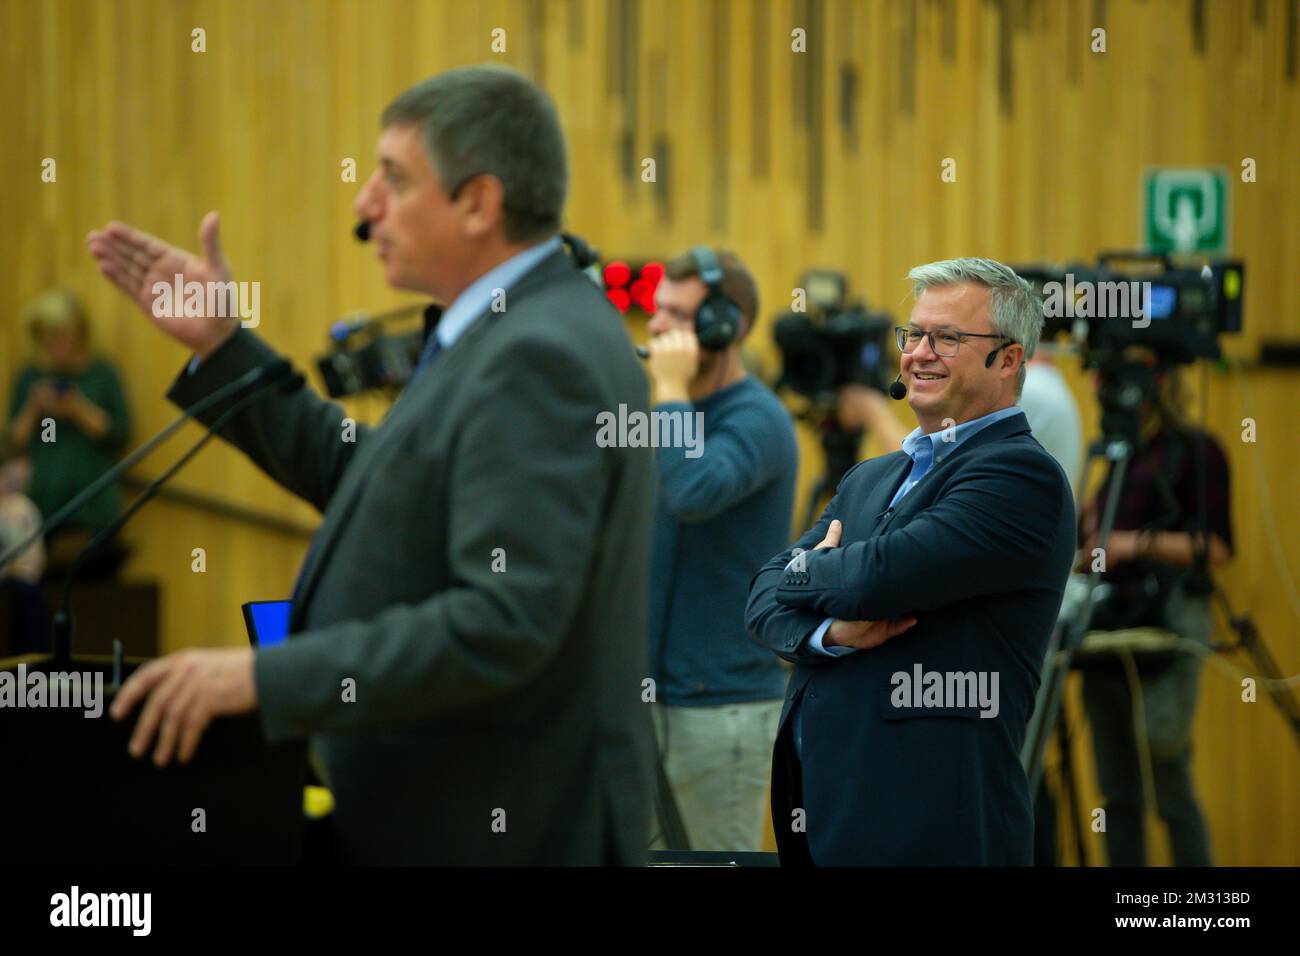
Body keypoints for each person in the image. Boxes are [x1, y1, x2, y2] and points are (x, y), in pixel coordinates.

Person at [87, 64, 656, 865]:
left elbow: (505, 619)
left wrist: (265, 679)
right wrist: (222, 349)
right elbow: (371, 476)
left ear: (478, 202)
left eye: (392, 177)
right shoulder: (505, 330)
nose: (365, 203)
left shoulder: (539, 352)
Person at [746, 257, 1076, 865]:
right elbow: (761, 596)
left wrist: (810, 572)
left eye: (948, 338)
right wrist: (829, 631)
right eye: (913, 334)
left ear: (1008, 360)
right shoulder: (873, 476)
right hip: (827, 820)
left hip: (931, 830)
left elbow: (877, 577)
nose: (919, 353)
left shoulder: (1019, 475)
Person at [644, 247, 797, 851]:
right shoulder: (663, 411)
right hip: (651, 702)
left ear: (721, 328)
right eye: (658, 311)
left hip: (721, 712)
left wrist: (671, 392)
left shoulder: (758, 420)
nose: (656, 326)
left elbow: (692, 490)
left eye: (676, 315)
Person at [1077, 359, 1232, 867]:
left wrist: (1131, 544)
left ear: (1158, 383)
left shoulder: (1194, 450)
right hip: (1105, 632)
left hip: (1166, 629)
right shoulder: (1121, 457)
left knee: (1170, 782)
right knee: (1116, 794)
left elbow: (1216, 547)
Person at [6, 289, 131, 578]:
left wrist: (78, 410)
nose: (56, 346)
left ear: (79, 334)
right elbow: (13, 441)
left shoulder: (101, 375)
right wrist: (33, 409)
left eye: (62, 336)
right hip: (43, 503)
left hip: (93, 504)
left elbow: (120, 433)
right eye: (48, 338)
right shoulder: (30, 378)